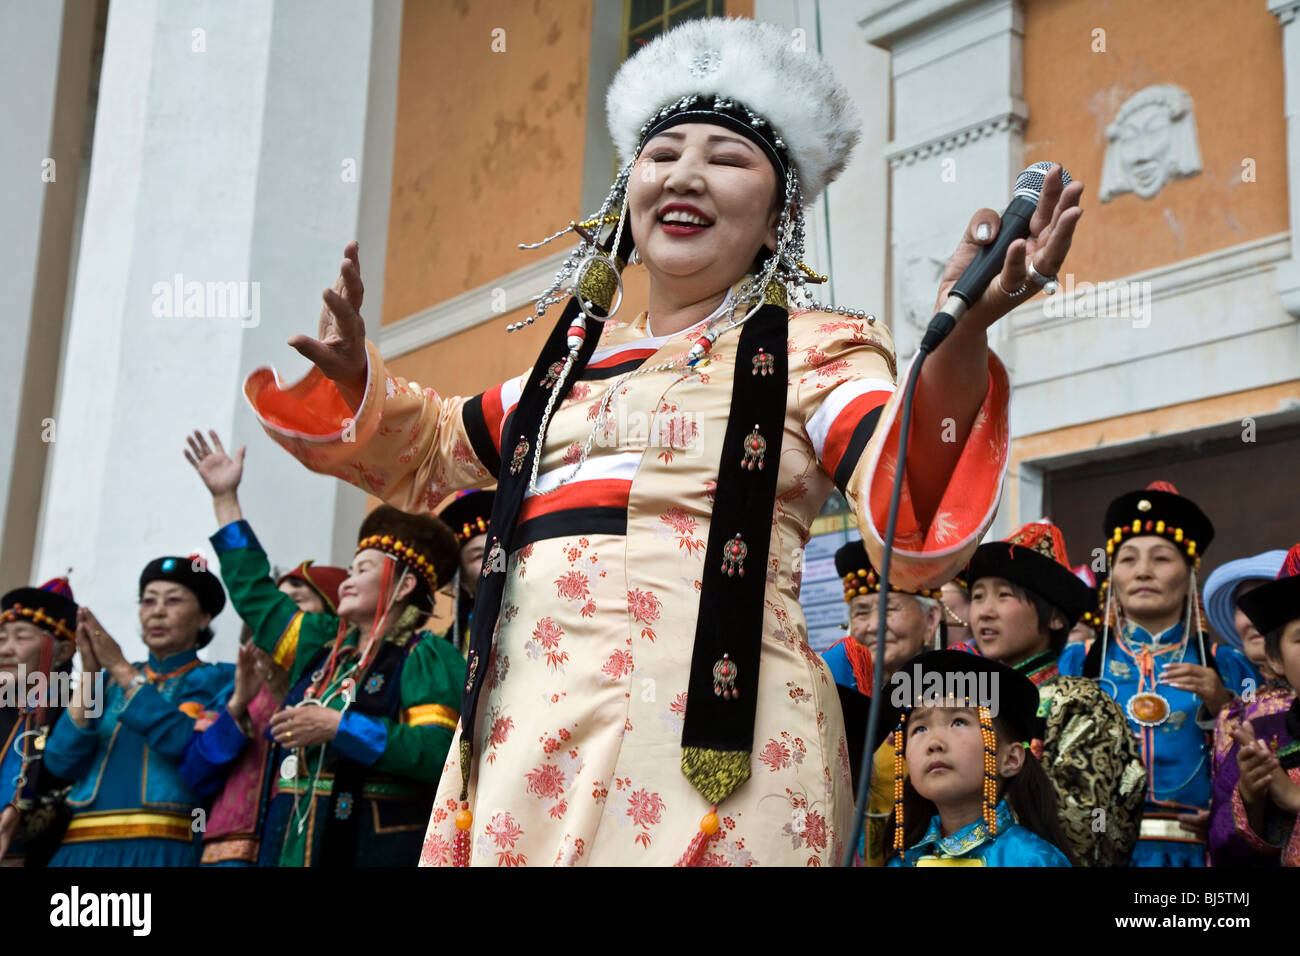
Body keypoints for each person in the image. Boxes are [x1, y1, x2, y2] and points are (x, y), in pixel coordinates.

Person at [242, 18, 1083, 865]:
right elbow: (426, 449)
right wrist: (355, 377)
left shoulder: (820, 351)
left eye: (727, 158)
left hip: (723, 743)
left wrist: (964, 336)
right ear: (627, 194)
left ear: (777, 215)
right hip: (526, 732)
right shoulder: (560, 378)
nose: (685, 174)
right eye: (664, 152)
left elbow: (905, 492)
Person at [182, 430, 465, 866]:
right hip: (290, 839)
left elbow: (435, 754)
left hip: (370, 845)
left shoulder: (426, 656)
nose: (348, 580)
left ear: (405, 584)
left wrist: (340, 728)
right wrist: (225, 499)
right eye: (350, 569)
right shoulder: (318, 643)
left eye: (364, 569)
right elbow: (255, 595)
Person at [1059, 480, 1258, 866]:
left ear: (1189, 577)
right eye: (1129, 559)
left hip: (1198, 854)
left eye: (1162, 559)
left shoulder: (1228, 665)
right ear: (1113, 575)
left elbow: (1268, 759)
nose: (1143, 571)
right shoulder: (1076, 662)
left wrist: (1222, 705)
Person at [962, 519, 1145, 865]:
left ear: (1056, 618)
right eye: (977, 596)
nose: (984, 610)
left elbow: (1079, 828)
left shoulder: (1082, 702)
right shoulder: (966, 702)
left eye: (1004, 595)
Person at [41, 558, 234, 866]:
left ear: (204, 618)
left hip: (166, 848)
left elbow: (186, 746)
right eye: (148, 601)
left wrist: (119, 666)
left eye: (173, 601)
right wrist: (90, 672)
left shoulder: (219, 680)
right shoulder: (106, 684)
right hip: (81, 850)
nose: (157, 611)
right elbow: (61, 762)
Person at [885, 649, 1073, 866]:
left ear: (1010, 759)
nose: (934, 743)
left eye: (958, 722)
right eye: (919, 729)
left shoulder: (1032, 859)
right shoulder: (903, 861)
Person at [823, 538, 942, 864]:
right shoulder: (830, 689)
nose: (873, 626)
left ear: (931, 620)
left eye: (890, 608)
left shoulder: (959, 695)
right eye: (861, 612)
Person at [1212, 543, 1300, 865]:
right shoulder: (1254, 727)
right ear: (1275, 657)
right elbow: (1223, 847)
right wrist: (1251, 798)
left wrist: (1293, 798)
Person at [0, 578, 78, 866]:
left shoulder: (75, 711)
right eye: (1, 638)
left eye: (21, 638)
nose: (5, 649)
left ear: (64, 652)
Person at [437, 490, 494, 655]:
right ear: (462, 581)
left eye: (499, 549)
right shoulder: (441, 652)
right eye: (478, 555)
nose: (493, 560)